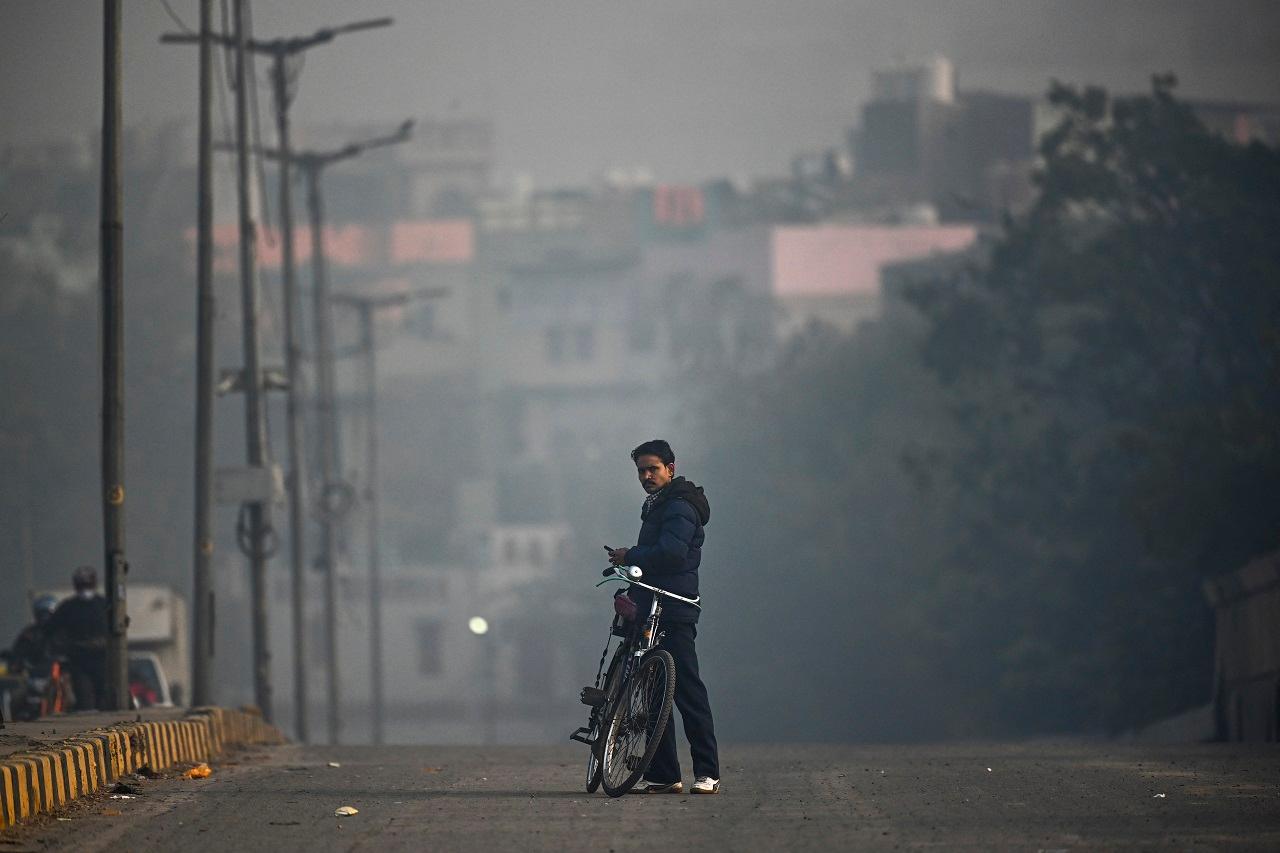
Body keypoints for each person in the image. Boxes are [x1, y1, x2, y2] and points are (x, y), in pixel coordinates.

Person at [604, 439, 721, 795]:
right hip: (652, 606)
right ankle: (665, 774)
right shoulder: (658, 504)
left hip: (674, 608)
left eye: (653, 469)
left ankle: (708, 773)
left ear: (670, 468)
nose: (646, 476)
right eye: (641, 470)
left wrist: (630, 555)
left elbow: (671, 554)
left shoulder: (680, 506)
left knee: (687, 692)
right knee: (655, 692)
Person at [44, 566, 109, 711]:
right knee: (85, 700)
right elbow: (49, 629)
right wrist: (59, 646)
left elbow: (118, 627)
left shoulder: (104, 605)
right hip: (79, 661)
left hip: (102, 660)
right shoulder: (68, 607)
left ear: (94, 584)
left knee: (104, 699)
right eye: (81, 585)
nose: (85, 589)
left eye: (87, 585)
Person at [6, 595, 59, 673]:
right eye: (42, 614)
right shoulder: (29, 633)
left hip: (58, 673)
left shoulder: (61, 633)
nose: (45, 617)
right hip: (33, 673)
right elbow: (18, 650)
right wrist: (15, 662)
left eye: (47, 614)